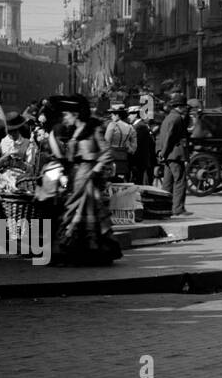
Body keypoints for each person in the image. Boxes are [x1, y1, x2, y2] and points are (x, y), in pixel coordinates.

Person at [51, 95, 122, 266]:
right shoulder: (71, 132)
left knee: (85, 212)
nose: (64, 118)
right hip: (76, 176)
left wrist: (96, 170)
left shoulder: (93, 129)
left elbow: (107, 152)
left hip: (88, 177)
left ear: (76, 114)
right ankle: (76, 253)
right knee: (73, 211)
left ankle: (88, 253)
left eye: (67, 114)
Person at [156, 93, 190, 216]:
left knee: (167, 182)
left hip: (168, 155)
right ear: (180, 106)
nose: (186, 108)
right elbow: (169, 138)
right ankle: (178, 209)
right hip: (175, 154)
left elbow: (162, 136)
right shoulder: (177, 118)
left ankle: (164, 207)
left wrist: (161, 152)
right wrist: (164, 153)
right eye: (185, 106)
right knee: (180, 181)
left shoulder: (168, 118)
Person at [102, 104, 136, 181]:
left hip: (112, 158)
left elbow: (106, 142)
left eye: (113, 114)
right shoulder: (130, 127)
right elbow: (132, 149)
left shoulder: (112, 125)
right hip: (123, 158)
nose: (111, 116)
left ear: (117, 115)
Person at [128, 106, 156, 186]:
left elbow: (137, 145)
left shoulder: (139, 127)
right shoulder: (140, 125)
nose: (129, 117)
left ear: (136, 115)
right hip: (140, 161)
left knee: (139, 184)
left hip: (139, 161)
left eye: (130, 114)